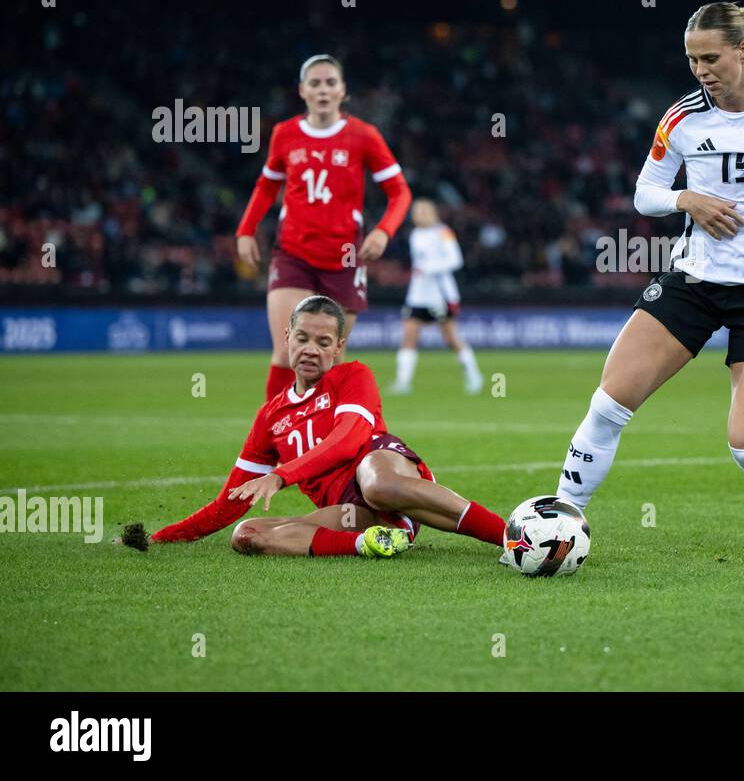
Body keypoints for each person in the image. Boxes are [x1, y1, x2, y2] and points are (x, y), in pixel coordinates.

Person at [553, 2, 744, 559]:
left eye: (710, 58)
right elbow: (644, 193)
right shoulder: (681, 118)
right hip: (693, 280)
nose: (700, 70)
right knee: (609, 401)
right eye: (692, 59)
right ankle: (561, 519)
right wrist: (686, 198)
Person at [150, 295, 506, 557]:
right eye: (302, 338)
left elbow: (348, 441)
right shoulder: (270, 417)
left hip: (383, 471)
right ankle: (372, 543)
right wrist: (160, 538)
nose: (310, 349)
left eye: (323, 342)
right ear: (287, 337)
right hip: (352, 512)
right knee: (247, 534)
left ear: (338, 347)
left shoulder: (353, 376)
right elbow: (231, 501)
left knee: (378, 483)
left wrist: (281, 474)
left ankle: (511, 536)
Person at [236, 54, 412, 401]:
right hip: (293, 254)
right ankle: (273, 442)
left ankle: (323, 443)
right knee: (289, 354)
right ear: (302, 90)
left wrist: (383, 231)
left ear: (343, 90)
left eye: (331, 82)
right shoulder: (285, 134)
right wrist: (245, 230)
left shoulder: (363, 135)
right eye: (315, 83)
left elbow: (400, 191)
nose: (323, 89)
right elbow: (267, 185)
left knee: (328, 359)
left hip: (344, 259)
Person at [392, 198, 483, 395]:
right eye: (417, 212)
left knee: (451, 338)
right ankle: (403, 382)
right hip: (417, 295)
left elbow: (455, 260)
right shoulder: (415, 234)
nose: (420, 215)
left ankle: (474, 375)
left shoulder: (443, 232)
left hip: (440, 295)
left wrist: (429, 268)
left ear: (433, 213)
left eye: (424, 211)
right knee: (408, 335)